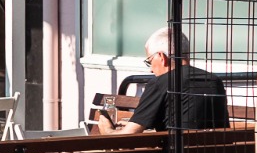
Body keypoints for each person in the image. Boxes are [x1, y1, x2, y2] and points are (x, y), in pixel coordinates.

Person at [93, 27, 230, 134]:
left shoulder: (161, 82)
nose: (151, 70)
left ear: (161, 57)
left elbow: (127, 137)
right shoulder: (214, 81)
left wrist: (107, 130)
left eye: (149, 61)